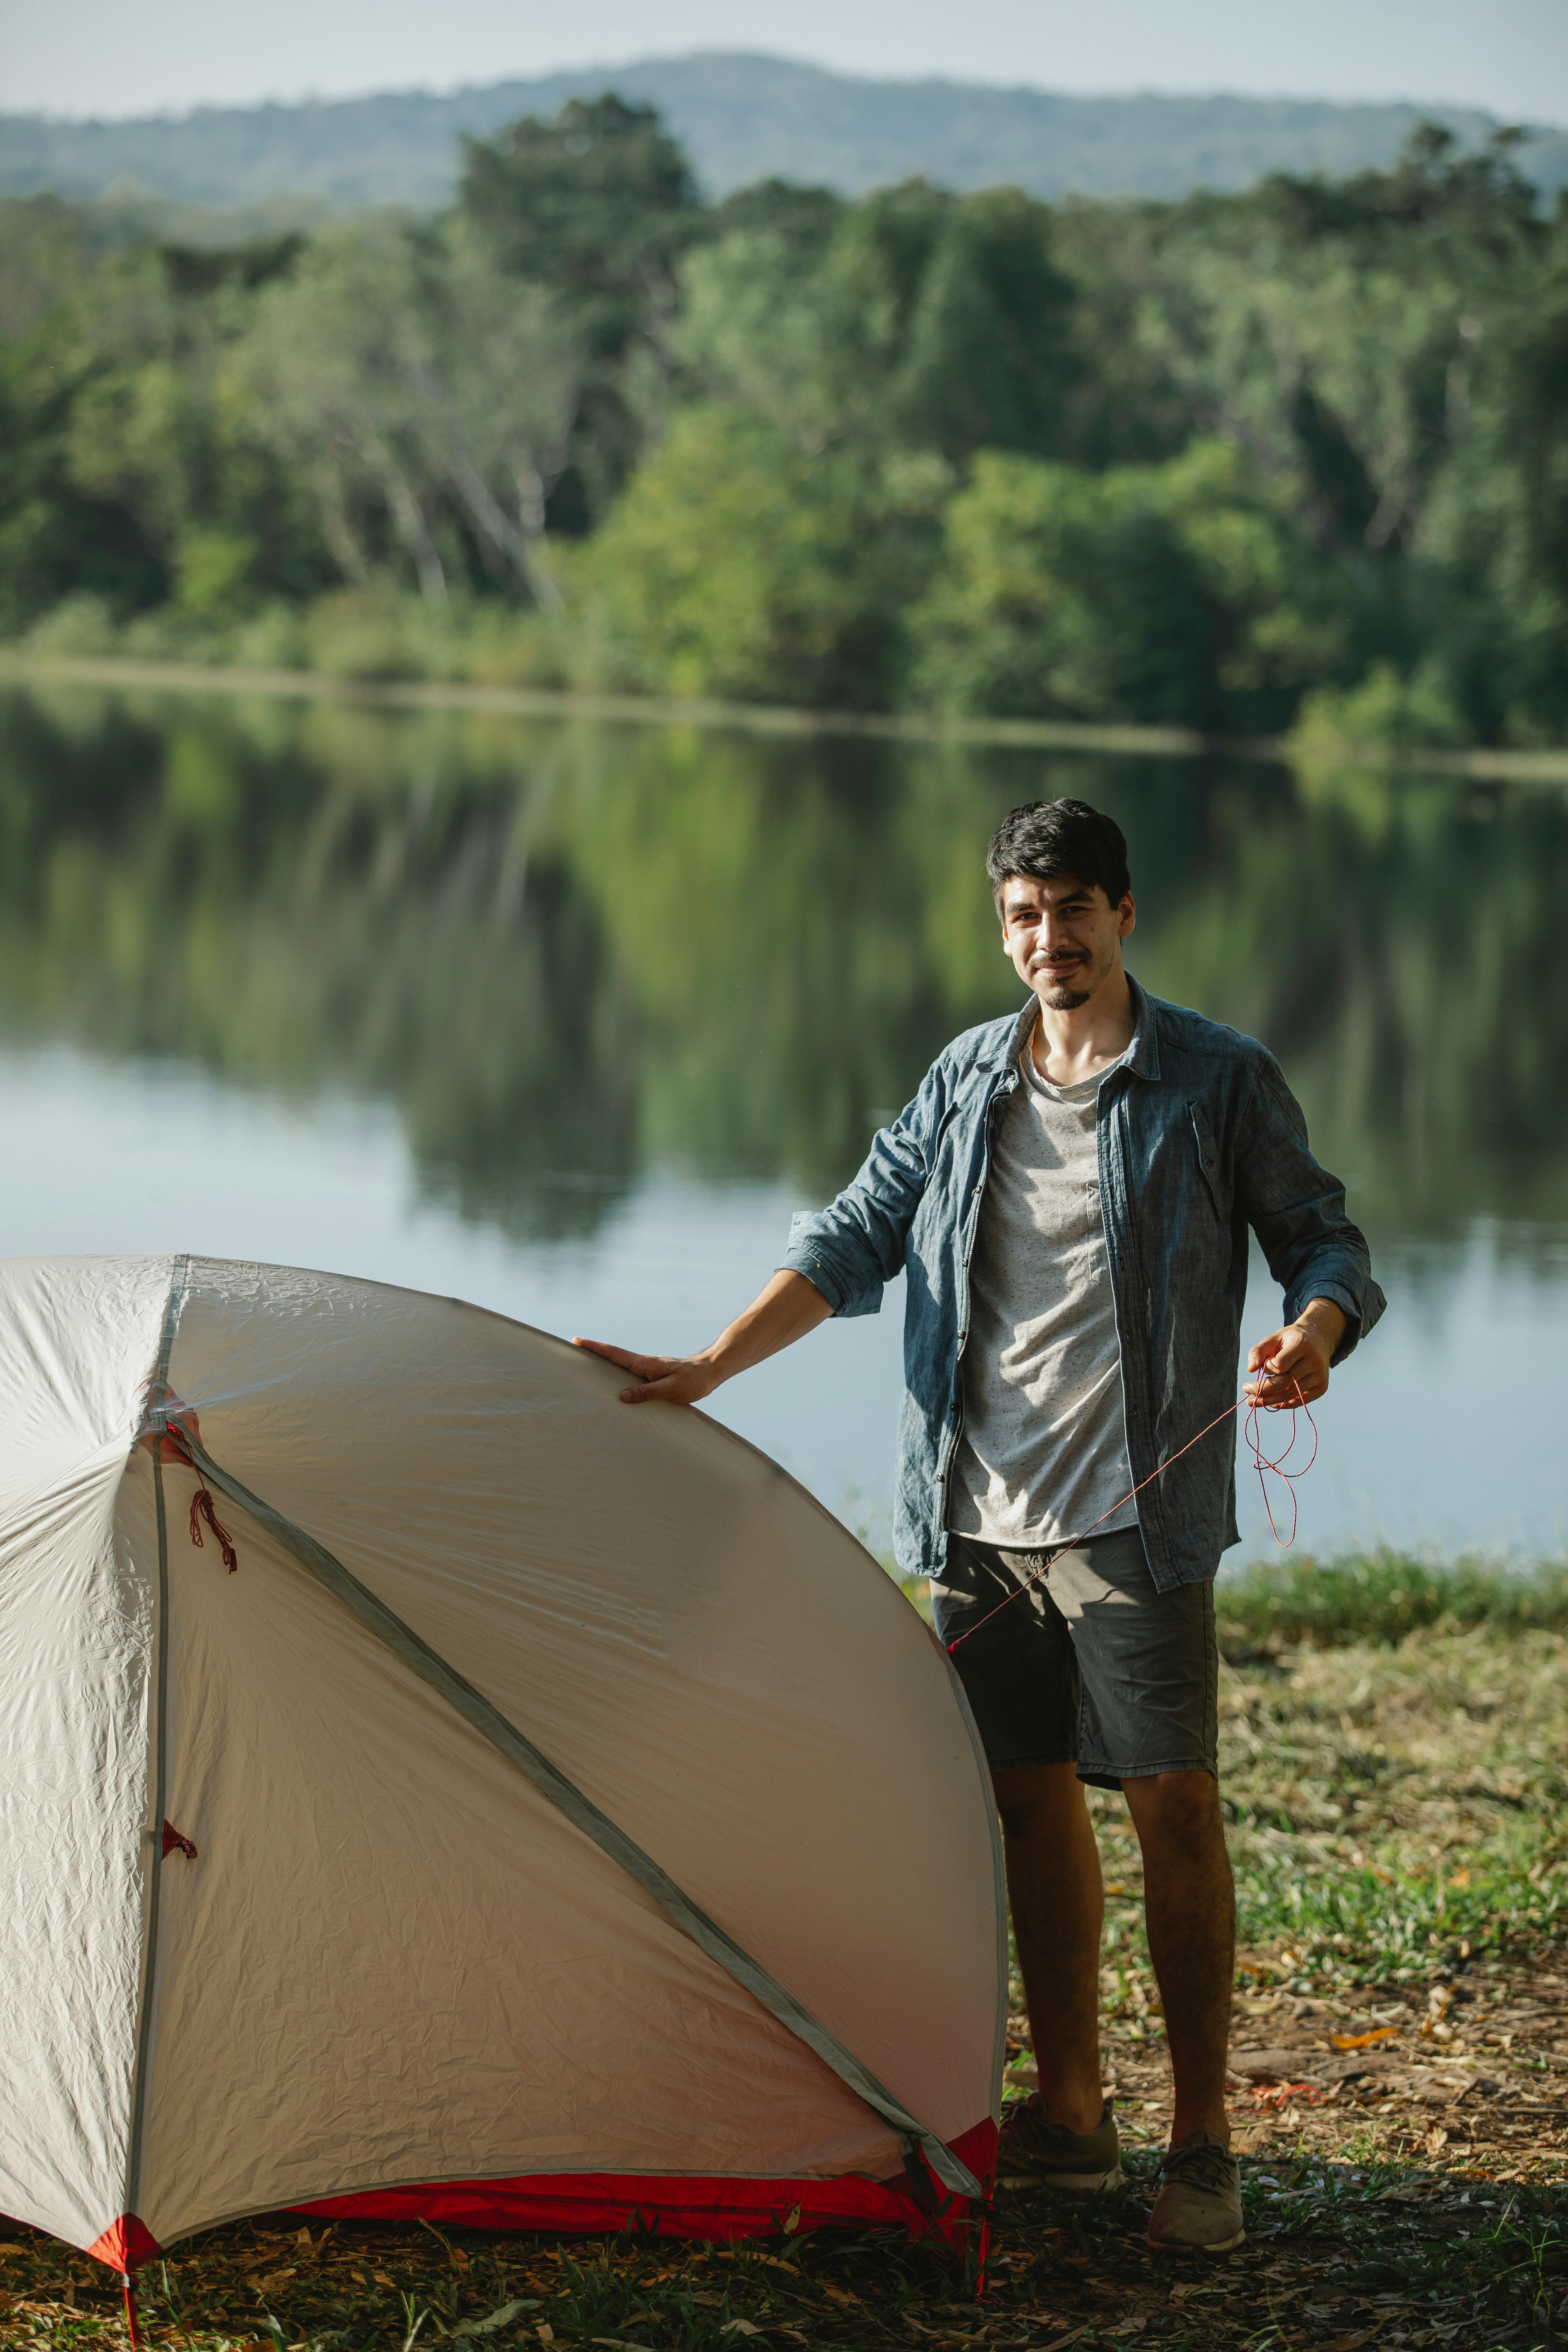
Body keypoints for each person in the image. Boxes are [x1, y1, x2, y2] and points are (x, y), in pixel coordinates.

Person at [575, 796, 1384, 2256]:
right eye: (1022, 916)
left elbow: (1323, 1236)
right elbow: (848, 1237)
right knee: (1021, 1805)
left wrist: (1315, 1328)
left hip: (1135, 1522)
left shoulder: (1214, 1079)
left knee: (1173, 1814)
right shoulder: (965, 1077)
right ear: (999, 925)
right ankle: (1070, 2116)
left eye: (1072, 910)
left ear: (1122, 914)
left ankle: (1202, 2148)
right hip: (975, 1517)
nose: (1047, 941)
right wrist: (704, 1368)